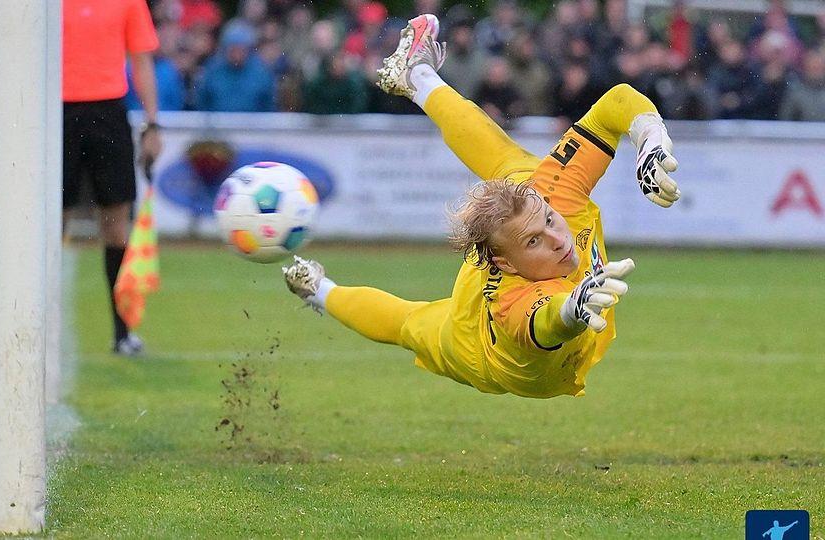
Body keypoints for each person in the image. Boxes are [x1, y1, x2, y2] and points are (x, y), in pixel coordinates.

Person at [282, 14, 682, 398]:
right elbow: (545, 322)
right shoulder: (511, 301)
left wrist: (650, 138)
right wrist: (572, 311)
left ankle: (417, 76)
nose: (557, 238)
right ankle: (318, 289)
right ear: (507, 263)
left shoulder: (551, 196)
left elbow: (617, 102)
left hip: (513, 229)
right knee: (408, 325)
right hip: (479, 349)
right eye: (534, 242)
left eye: (548, 221)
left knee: (516, 167)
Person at [63, 0, 163, 355]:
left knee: (116, 224)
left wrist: (152, 123)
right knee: (54, 222)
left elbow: (141, 60)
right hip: (57, 110)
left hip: (109, 111)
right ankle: (36, 323)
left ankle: (123, 333)